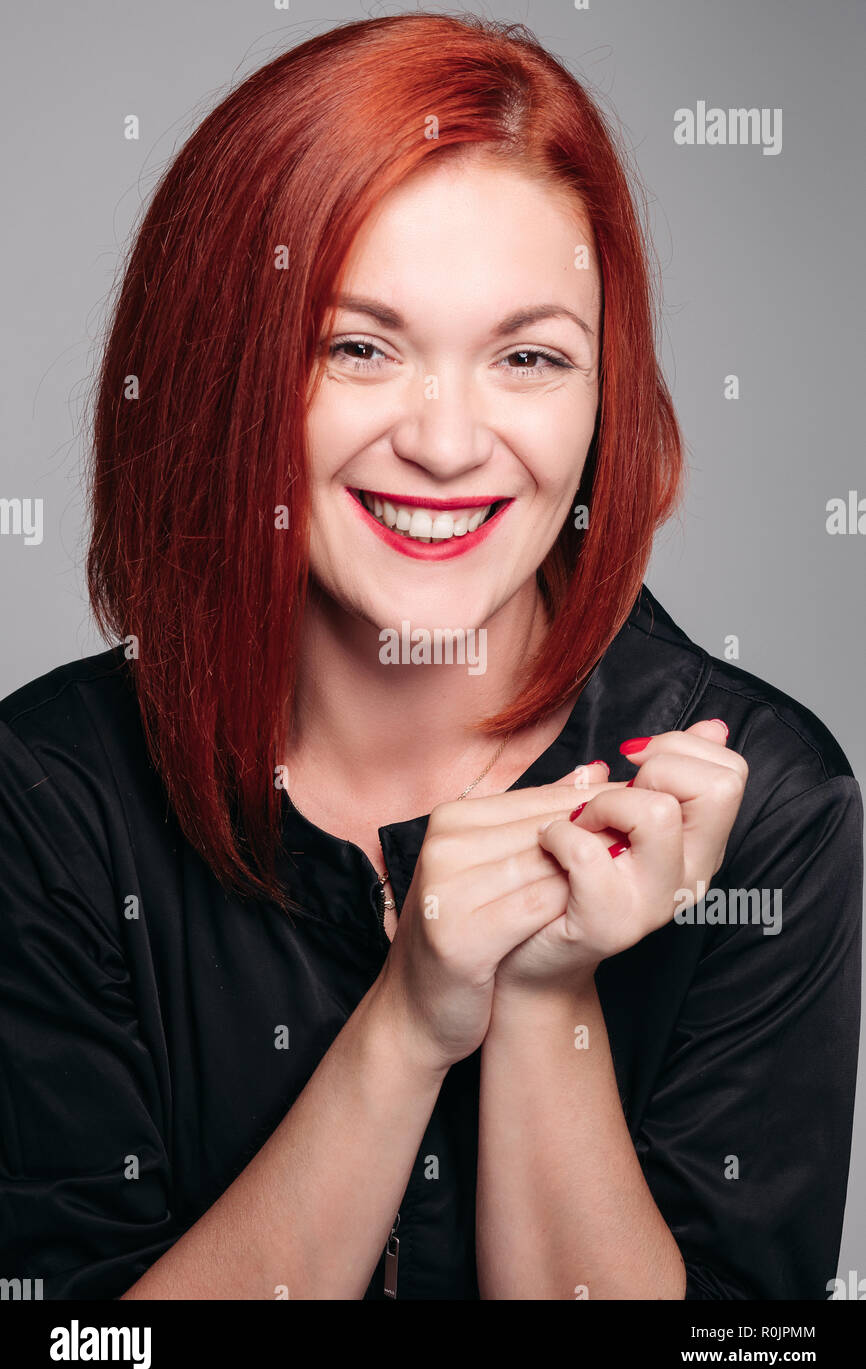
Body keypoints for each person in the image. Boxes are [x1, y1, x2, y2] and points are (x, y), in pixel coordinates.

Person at [0, 12, 860, 1301]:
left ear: (603, 396)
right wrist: (406, 1022)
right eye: (359, 347)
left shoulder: (769, 803)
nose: (449, 445)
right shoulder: (48, 795)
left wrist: (547, 993)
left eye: (530, 357)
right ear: (221, 372)